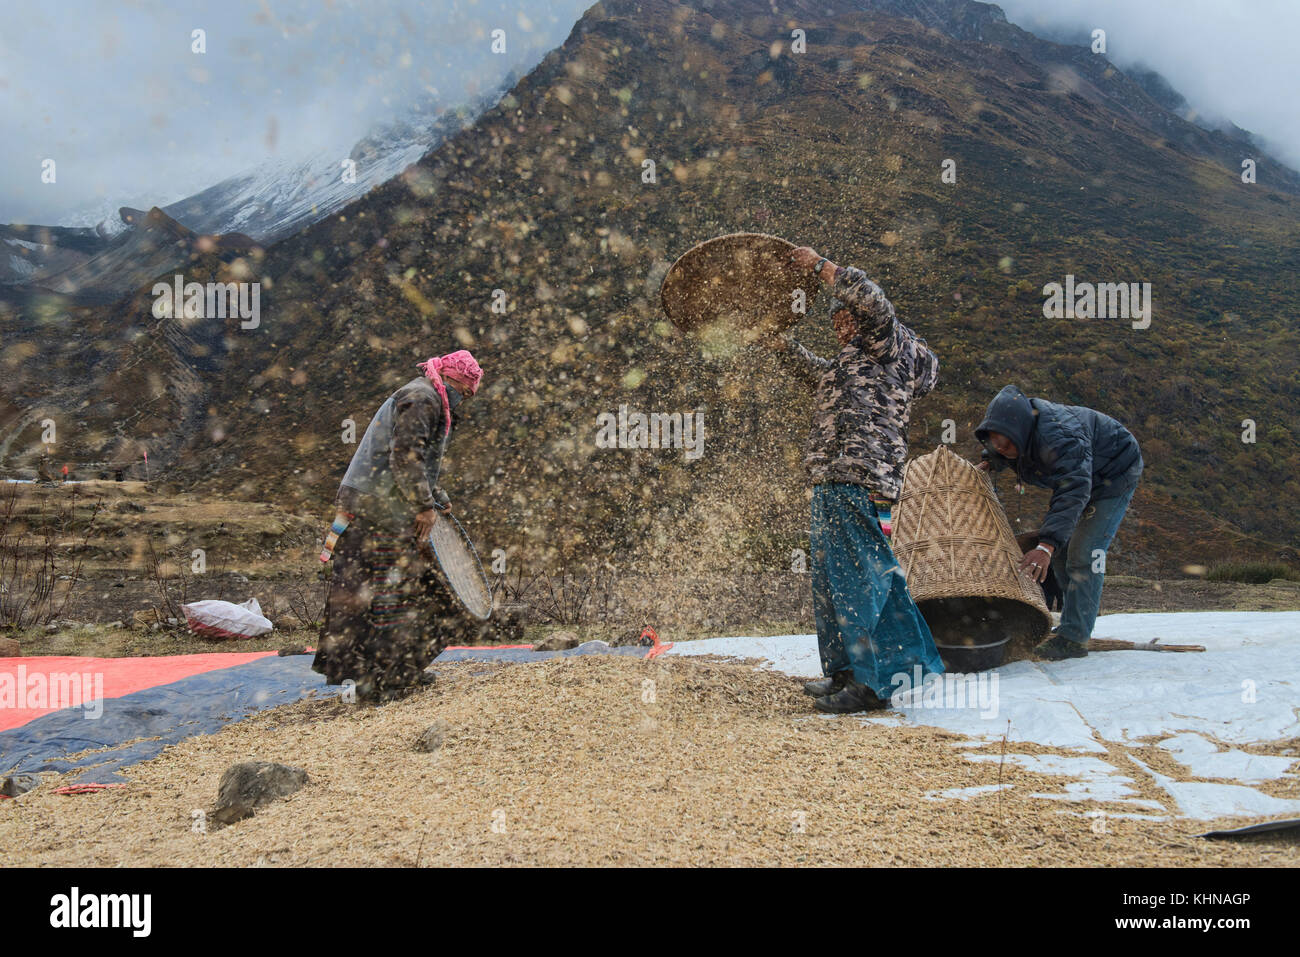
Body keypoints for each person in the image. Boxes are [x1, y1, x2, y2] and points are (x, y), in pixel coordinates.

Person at [765, 247, 945, 713]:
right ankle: (844, 672)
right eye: (836, 320)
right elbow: (817, 374)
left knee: (862, 580)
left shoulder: (889, 344)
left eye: (846, 316)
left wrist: (823, 267)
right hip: (831, 477)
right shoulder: (850, 363)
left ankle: (875, 683)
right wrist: (779, 345)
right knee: (831, 581)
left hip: (863, 477)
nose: (840, 325)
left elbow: (875, 302)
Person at [313, 349, 483, 701]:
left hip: (382, 503)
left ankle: (398, 671)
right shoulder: (421, 398)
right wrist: (424, 506)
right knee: (385, 593)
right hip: (374, 507)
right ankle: (377, 681)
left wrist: (436, 495)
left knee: (399, 590)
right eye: (464, 393)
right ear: (452, 380)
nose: (463, 401)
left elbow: (420, 458)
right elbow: (406, 456)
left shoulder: (428, 396)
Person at [975, 385, 1143, 659]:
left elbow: (1073, 491)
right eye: (994, 442)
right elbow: (1002, 444)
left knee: (1084, 553)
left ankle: (1074, 638)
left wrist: (1045, 545)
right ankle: (1071, 620)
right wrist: (991, 461)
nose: (1001, 448)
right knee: (1062, 556)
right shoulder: (1017, 433)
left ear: (1021, 431)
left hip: (1114, 473)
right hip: (1084, 474)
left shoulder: (1061, 439)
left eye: (1006, 444)